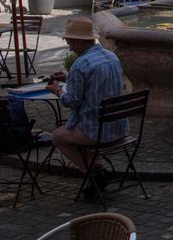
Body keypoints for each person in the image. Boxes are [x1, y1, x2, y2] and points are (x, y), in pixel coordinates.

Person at [48, 17, 126, 196]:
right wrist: (69, 77)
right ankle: (97, 168)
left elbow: (72, 102)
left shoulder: (80, 65)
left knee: (58, 136)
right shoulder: (111, 57)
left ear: (78, 41)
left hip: (95, 132)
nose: (70, 48)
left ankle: (93, 172)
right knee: (75, 129)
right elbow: (95, 82)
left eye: (70, 43)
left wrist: (57, 91)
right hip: (118, 127)